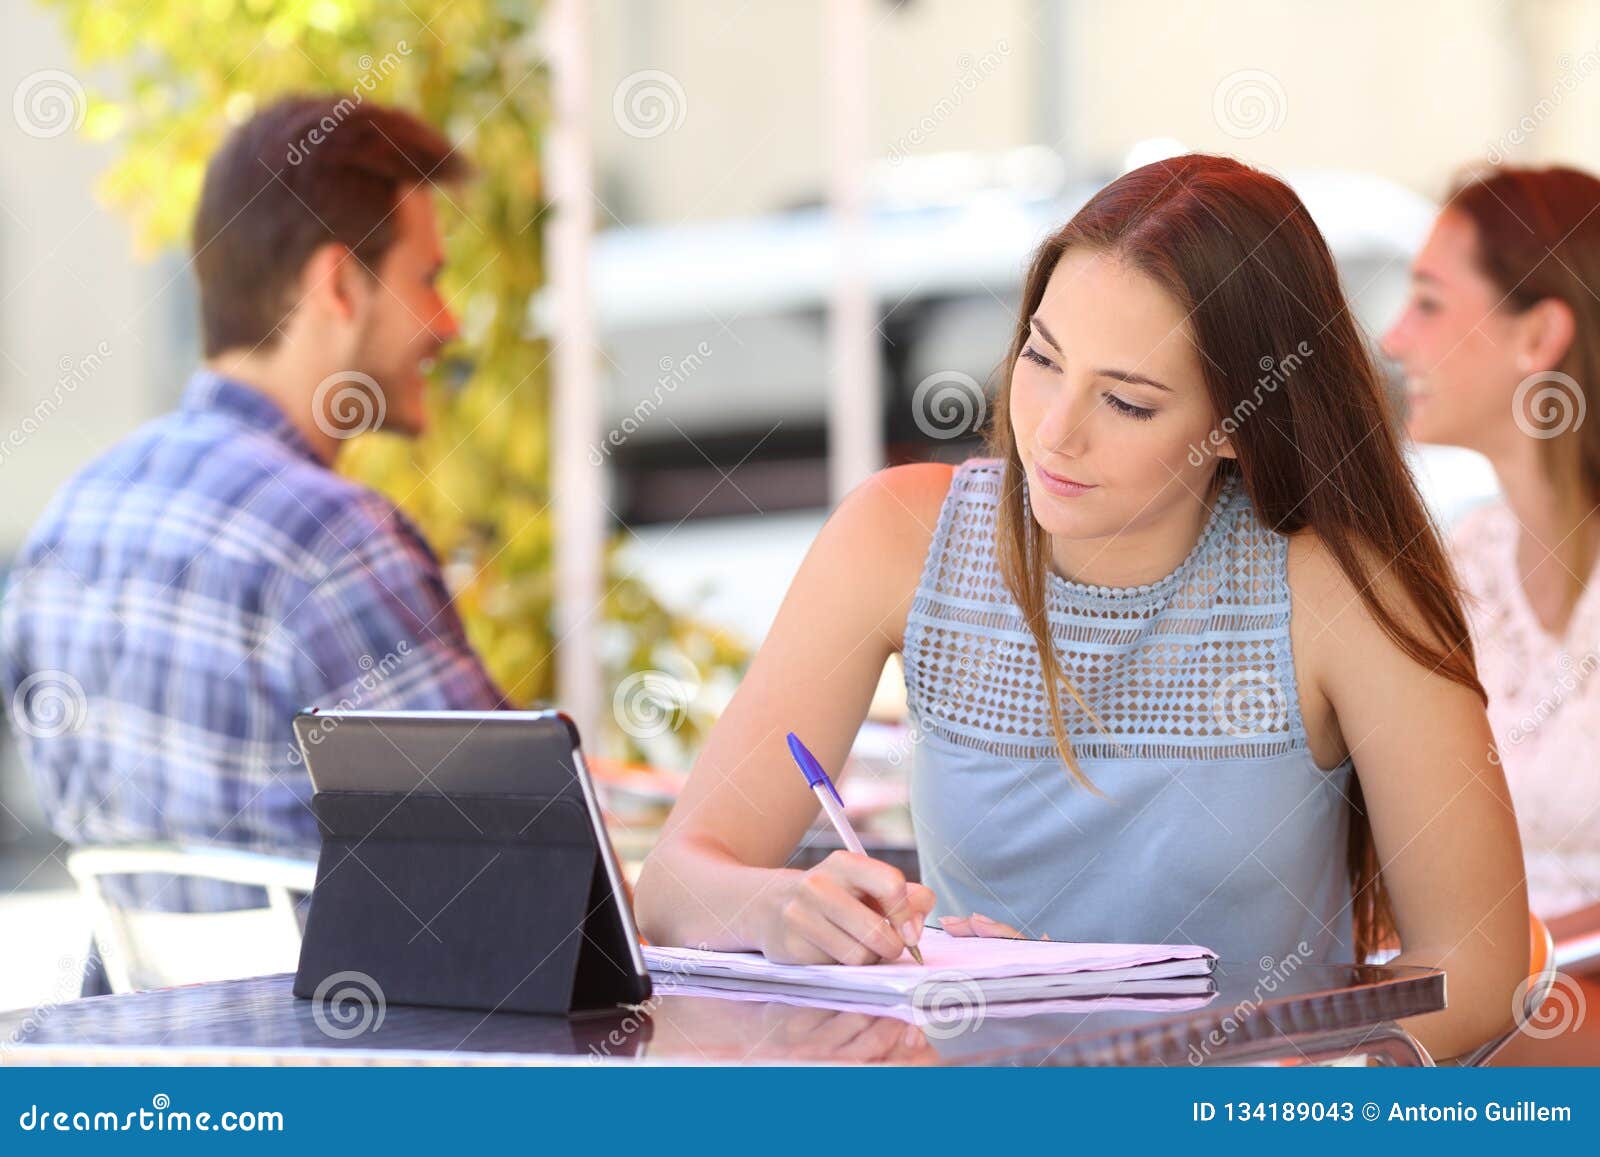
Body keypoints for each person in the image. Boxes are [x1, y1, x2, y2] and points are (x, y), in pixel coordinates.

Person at [636, 153, 1529, 1060]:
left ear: (1233, 425)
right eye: (1041, 358)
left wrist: (1262, 1087)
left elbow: (1482, 966)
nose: (1055, 431)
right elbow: (673, 881)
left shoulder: (1339, 587)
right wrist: (782, 907)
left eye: (1126, 401)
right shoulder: (895, 539)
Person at [0, 95, 504, 915]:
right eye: (430, 279)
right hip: (339, 1040)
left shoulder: (70, 523)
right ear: (338, 284)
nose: (447, 325)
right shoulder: (335, 540)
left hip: (141, 1039)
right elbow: (535, 878)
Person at [1381, 165, 1600, 1050]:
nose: (1395, 339)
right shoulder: (1459, 567)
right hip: (1506, 1016)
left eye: (1429, 303)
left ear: (1539, 332)